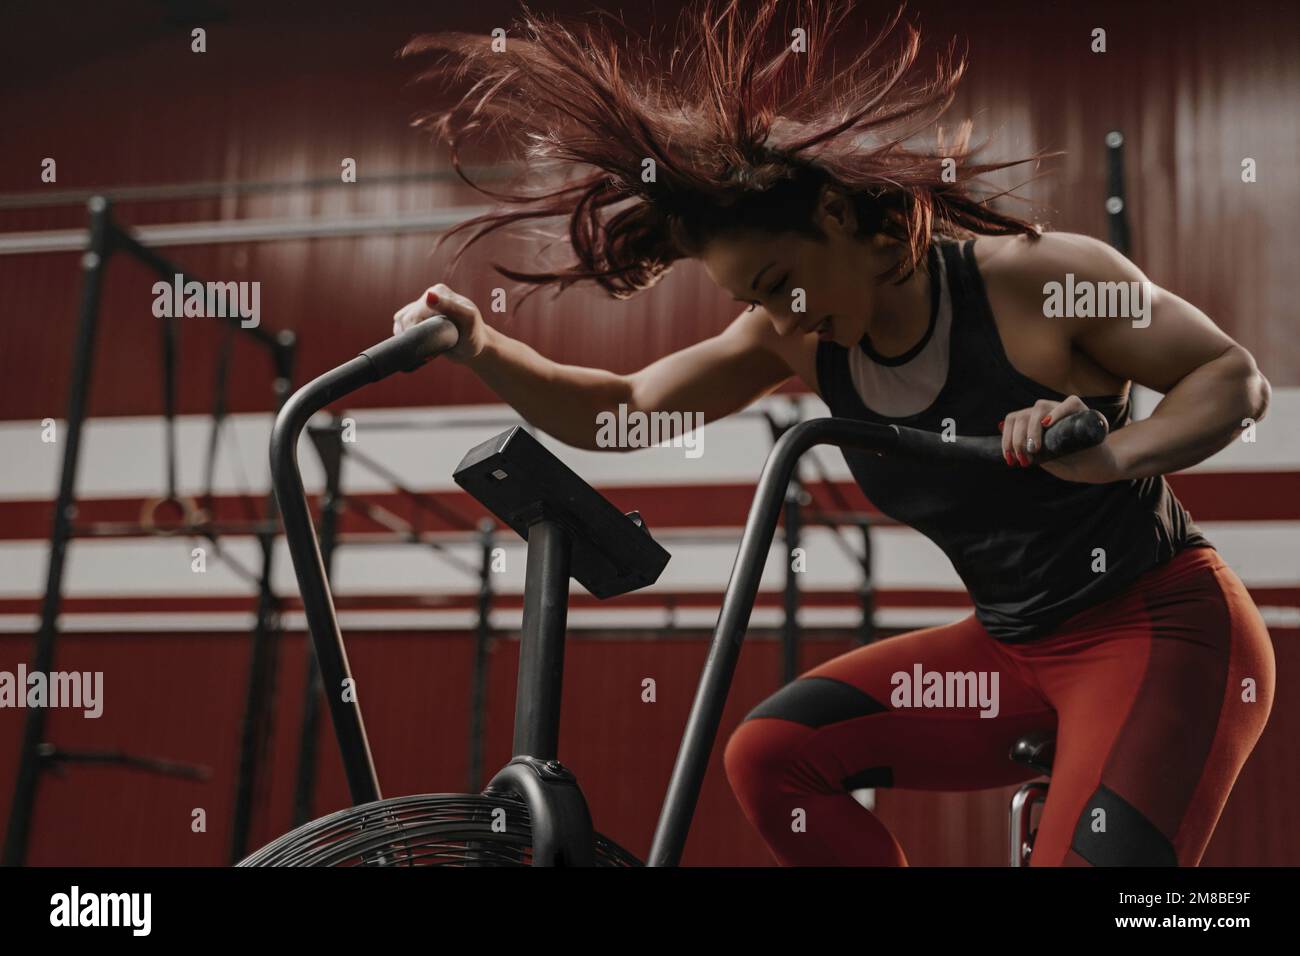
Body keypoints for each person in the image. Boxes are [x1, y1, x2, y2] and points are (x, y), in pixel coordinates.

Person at [391, 1, 1275, 865]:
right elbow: (619, 409)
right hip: (1014, 649)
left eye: (781, 281)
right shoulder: (796, 336)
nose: (778, 314)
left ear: (840, 218)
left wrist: (1112, 455)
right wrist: (482, 344)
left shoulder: (1038, 281)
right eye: (755, 300)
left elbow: (1232, 379)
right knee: (772, 757)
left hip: (1162, 633)